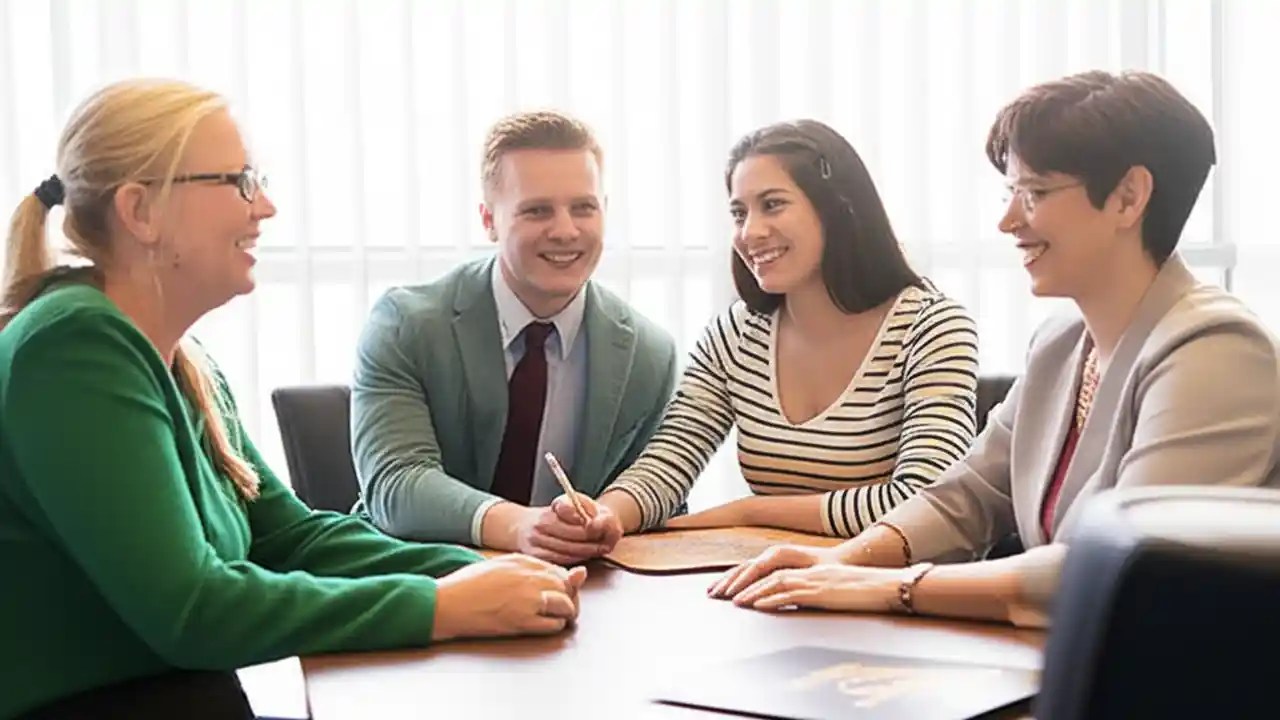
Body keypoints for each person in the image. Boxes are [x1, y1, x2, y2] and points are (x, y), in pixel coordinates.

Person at [0, 79, 585, 720]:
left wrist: (475, 571)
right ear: (140, 211)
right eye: (241, 182)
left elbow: (293, 539)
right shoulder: (74, 347)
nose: (266, 207)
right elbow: (193, 610)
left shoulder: (179, 357)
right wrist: (443, 606)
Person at [709, 70, 1280, 628]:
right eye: (1011, 192)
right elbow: (970, 494)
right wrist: (844, 560)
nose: (1008, 221)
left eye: (1034, 193)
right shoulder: (1061, 344)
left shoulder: (1216, 350)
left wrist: (892, 588)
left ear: (1129, 197)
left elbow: (1122, 567)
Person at [539, 119, 980, 561]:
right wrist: (604, 514)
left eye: (772, 205)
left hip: (905, 593)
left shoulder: (932, 327)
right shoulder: (734, 335)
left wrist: (750, 512)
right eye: (739, 213)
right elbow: (667, 463)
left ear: (838, 207)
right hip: (789, 591)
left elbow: (924, 499)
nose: (750, 232)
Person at [350, 110, 678, 565]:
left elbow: (658, 497)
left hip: (579, 595)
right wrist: (521, 526)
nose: (565, 230)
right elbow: (397, 484)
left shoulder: (649, 353)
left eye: (584, 207)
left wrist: (606, 518)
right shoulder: (406, 325)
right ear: (489, 220)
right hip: (424, 582)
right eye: (537, 210)